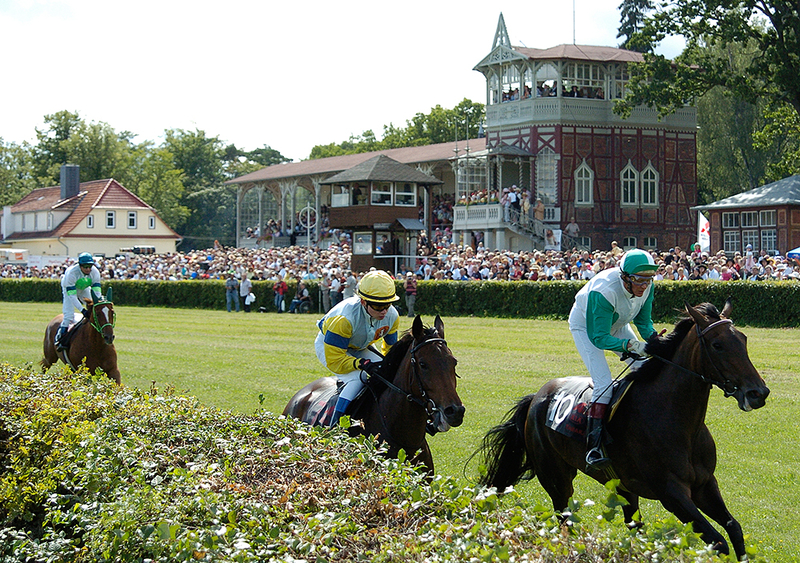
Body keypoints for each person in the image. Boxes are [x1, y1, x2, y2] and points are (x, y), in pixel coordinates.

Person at [568, 249, 658, 470]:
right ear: (625, 277)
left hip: (618, 324)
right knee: (604, 384)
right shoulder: (605, 291)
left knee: (648, 369)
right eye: (638, 279)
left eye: (648, 279)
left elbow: (644, 322)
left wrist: (656, 341)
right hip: (586, 327)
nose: (644, 285)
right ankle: (593, 447)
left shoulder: (647, 285)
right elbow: (599, 338)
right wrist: (629, 345)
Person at [315, 270, 400, 427]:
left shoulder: (392, 315)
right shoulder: (344, 319)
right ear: (363, 302)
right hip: (331, 347)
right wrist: (360, 363)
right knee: (357, 378)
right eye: (378, 306)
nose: (384, 311)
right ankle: (335, 425)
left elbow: (391, 350)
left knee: (387, 373)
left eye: (388, 304)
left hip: (360, 346)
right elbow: (336, 360)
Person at [55, 252, 103, 351]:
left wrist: (98, 303)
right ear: (80, 266)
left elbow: (97, 293)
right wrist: (82, 310)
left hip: (84, 288)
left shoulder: (95, 272)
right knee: (69, 315)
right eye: (85, 267)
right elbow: (73, 297)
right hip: (69, 290)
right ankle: (60, 339)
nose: (88, 269)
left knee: (95, 309)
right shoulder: (72, 273)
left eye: (90, 266)